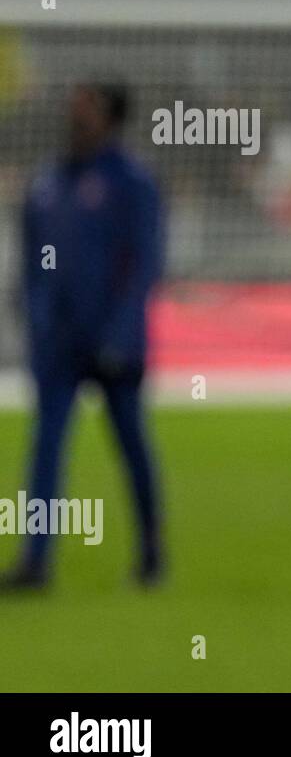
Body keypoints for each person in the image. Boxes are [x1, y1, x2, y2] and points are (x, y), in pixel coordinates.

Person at [2, 83, 165, 591]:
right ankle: (36, 561)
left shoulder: (132, 182)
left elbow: (144, 262)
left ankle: (150, 551)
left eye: (87, 104)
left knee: (130, 443)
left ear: (111, 116)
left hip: (114, 343)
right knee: (46, 445)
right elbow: (30, 258)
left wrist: (119, 332)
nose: (74, 112)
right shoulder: (49, 181)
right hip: (59, 343)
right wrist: (34, 314)